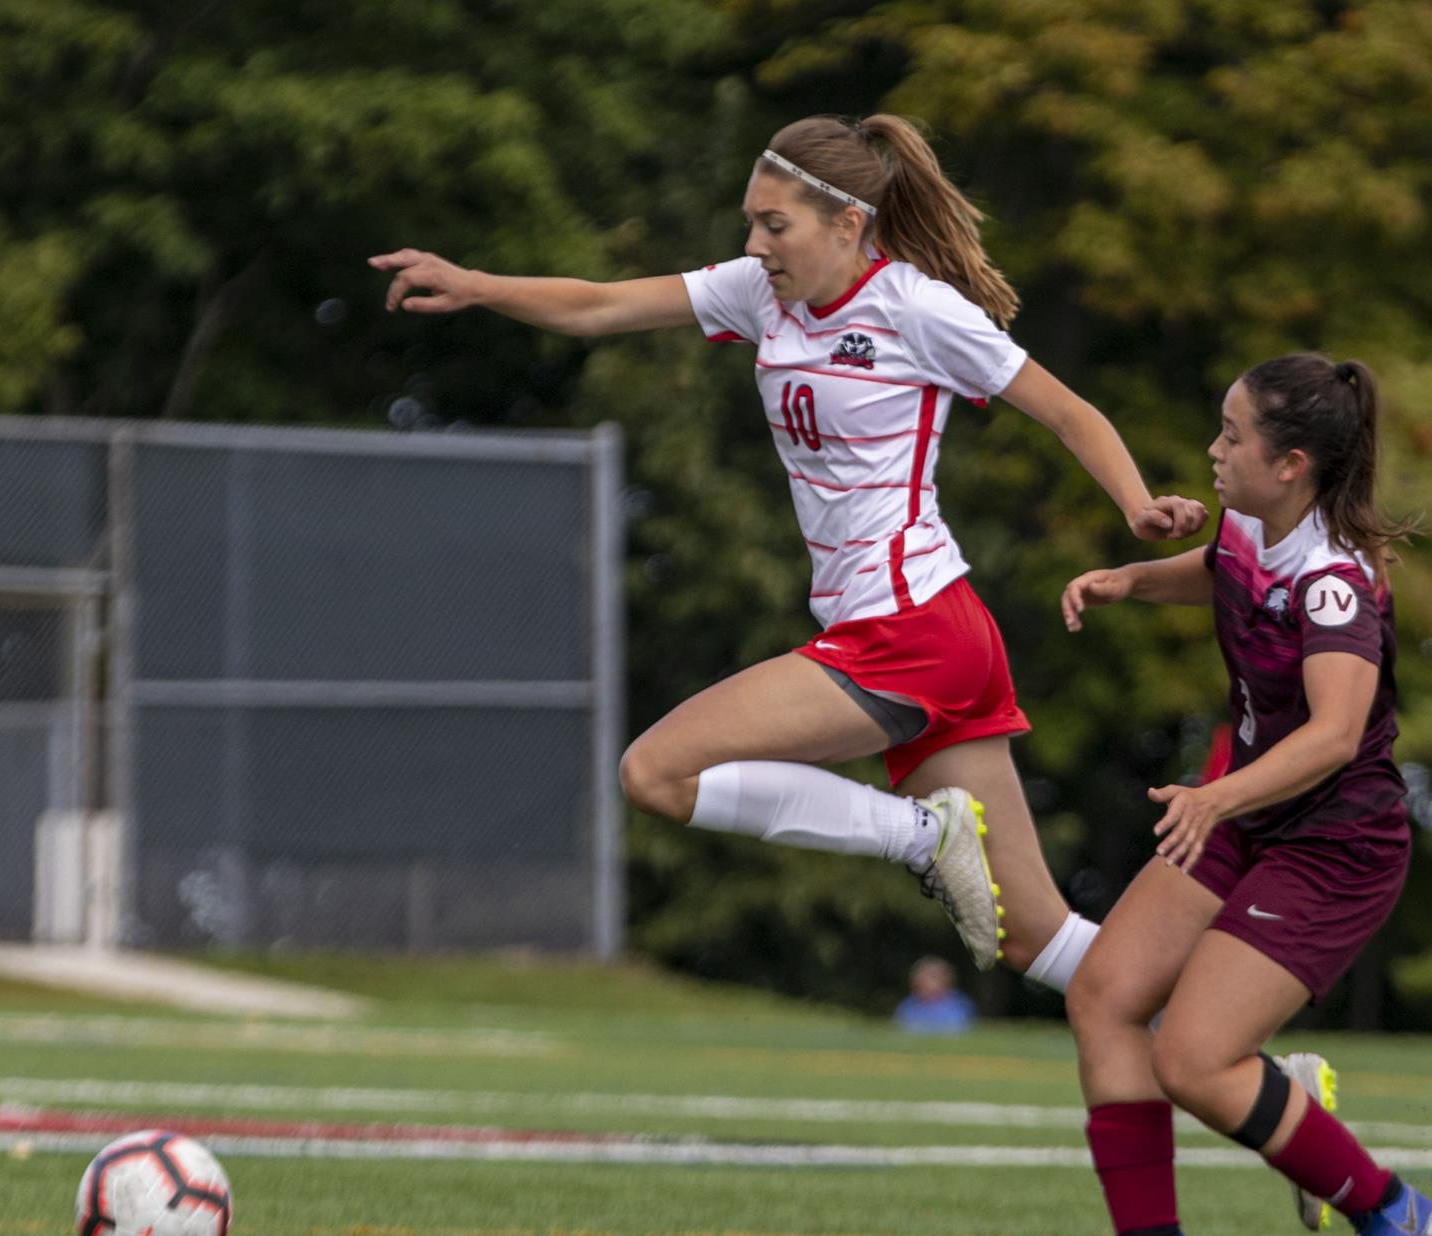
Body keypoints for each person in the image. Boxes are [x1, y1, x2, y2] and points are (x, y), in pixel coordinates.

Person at [372, 114, 1205, 990]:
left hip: (910, 626)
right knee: (1039, 941)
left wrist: (1138, 505)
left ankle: (921, 836)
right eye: (751, 222)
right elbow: (600, 304)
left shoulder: (915, 307)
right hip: (926, 631)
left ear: (847, 224)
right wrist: (475, 285)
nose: (754, 244)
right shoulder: (760, 293)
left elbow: (1069, 411)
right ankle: (1227, 1051)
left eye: (775, 225)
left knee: (657, 773)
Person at [1051, 353, 1432, 1236]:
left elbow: (1336, 735)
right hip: (1250, 811)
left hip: (1336, 846)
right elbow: (1219, 570)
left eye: (1233, 436)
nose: (1214, 451)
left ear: (1292, 463)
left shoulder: (1334, 581)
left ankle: (1387, 1207)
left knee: (1193, 1058)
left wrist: (1215, 798)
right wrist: (1130, 582)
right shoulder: (1249, 526)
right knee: (1104, 993)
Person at [895, 955, 976, 1034]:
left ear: (947, 982)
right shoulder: (909, 1005)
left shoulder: (959, 1004)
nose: (926, 985)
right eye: (921, 981)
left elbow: (959, 1026)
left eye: (932, 979)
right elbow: (902, 1026)